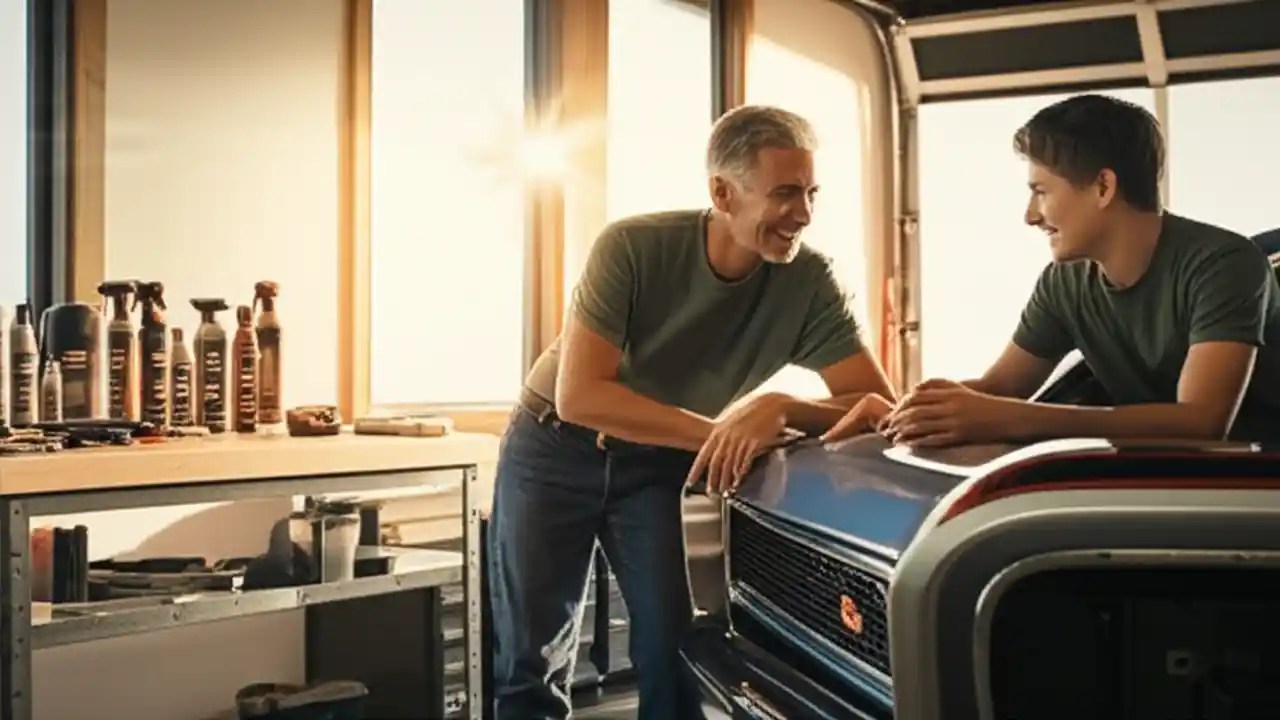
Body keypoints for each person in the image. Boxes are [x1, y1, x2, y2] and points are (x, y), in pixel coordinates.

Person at [487, 104, 895, 719]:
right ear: (722, 193)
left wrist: (778, 407)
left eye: (811, 193)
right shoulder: (630, 246)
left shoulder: (810, 282)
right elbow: (583, 395)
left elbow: (874, 405)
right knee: (529, 661)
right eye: (785, 193)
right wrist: (720, 433)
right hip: (552, 448)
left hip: (659, 465)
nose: (804, 215)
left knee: (672, 651)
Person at [822, 93, 1280, 448]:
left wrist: (1010, 417)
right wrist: (906, 409)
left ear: (1103, 187)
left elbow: (1202, 422)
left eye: (1041, 191)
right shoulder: (1064, 283)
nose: (1031, 215)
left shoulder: (1226, 264)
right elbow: (1001, 388)